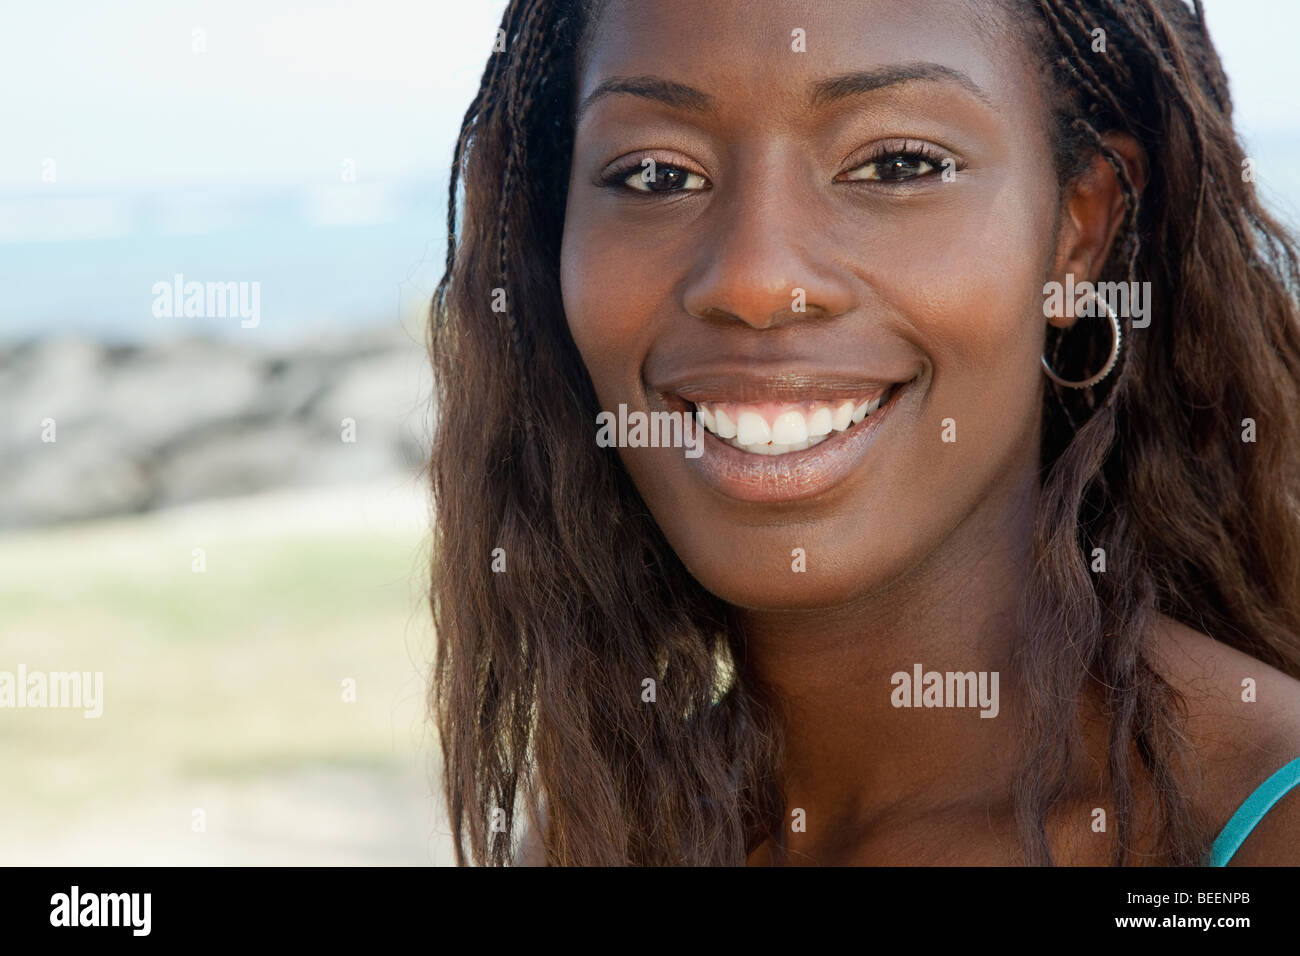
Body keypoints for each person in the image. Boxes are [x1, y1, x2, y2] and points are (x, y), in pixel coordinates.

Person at [430, 0, 1300, 865]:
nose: (757, 280)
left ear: (1079, 230)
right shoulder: (607, 835)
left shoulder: (1255, 830)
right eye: (657, 175)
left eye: (896, 164)